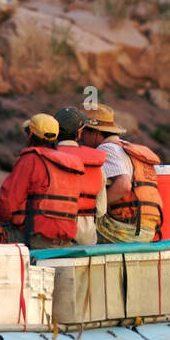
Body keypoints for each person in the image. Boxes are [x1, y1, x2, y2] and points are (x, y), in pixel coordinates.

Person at [0, 112, 84, 249]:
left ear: (30, 136)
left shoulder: (30, 159)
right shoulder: (70, 163)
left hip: (36, 238)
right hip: (66, 237)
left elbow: (7, 205)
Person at [79, 104, 163, 244]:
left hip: (126, 231)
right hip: (147, 230)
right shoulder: (125, 148)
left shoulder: (106, 149)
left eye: (83, 132)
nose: (80, 137)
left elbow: (123, 185)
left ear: (94, 132)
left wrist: (96, 209)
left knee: (81, 227)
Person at [54, 105, 105, 246]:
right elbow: (101, 210)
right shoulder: (97, 163)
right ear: (79, 133)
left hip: (56, 232)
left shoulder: (46, 158)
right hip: (86, 236)